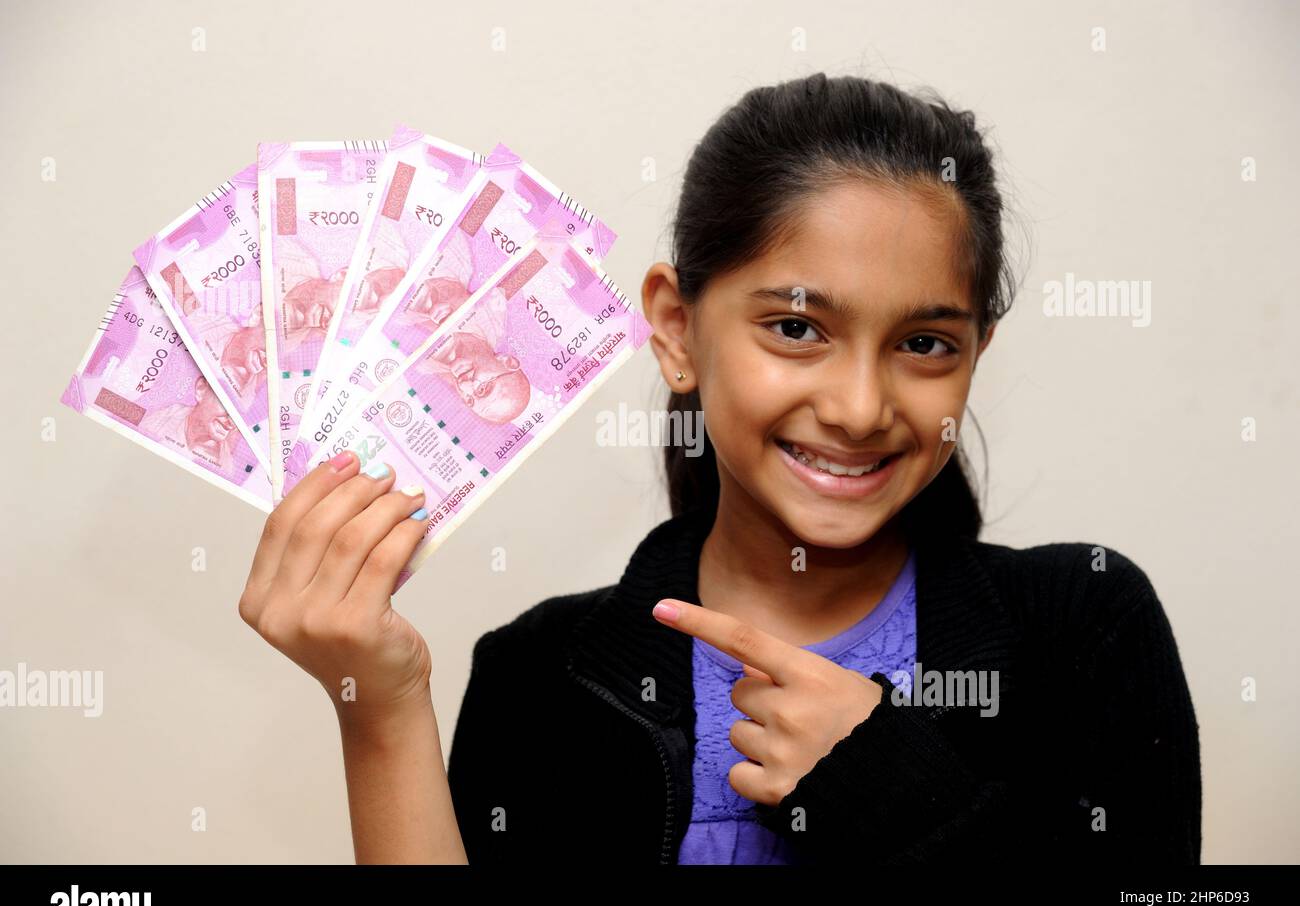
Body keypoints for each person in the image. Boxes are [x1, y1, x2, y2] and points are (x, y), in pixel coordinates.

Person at [236, 73, 1201, 865]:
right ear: (675, 327)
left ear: (977, 350)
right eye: (795, 328)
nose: (861, 407)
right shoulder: (536, 675)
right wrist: (382, 710)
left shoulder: (1086, 624)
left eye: (924, 343)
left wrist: (889, 781)